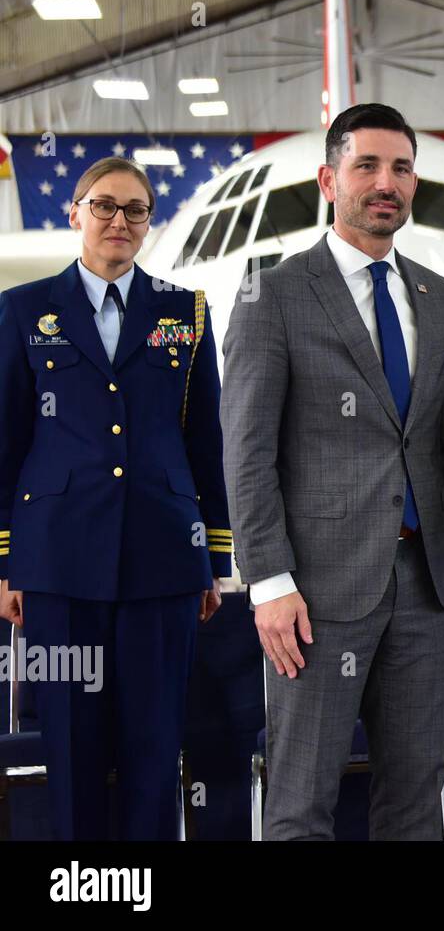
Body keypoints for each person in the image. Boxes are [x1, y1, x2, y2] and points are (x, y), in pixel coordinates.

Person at [221, 103, 444, 840]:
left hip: (425, 591)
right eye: (366, 165)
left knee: (414, 801)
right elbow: (247, 451)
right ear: (329, 179)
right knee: (302, 804)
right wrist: (268, 581)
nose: (384, 183)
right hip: (314, 595)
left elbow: (440, 443)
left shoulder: (436, 295)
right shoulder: (272, 292)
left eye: (399, 168)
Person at [0, 157, 228, 839]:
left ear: (149, 223)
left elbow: (204, 440)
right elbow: (6, 440)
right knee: (71, 752)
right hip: (57, 565)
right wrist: (7, 557)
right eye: (104, 206)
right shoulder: (22, 309)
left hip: (163, 561)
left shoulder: (182, 312)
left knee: (155, 752)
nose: (118, 221)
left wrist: (212, 557)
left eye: (135, 210)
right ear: (75, 213)